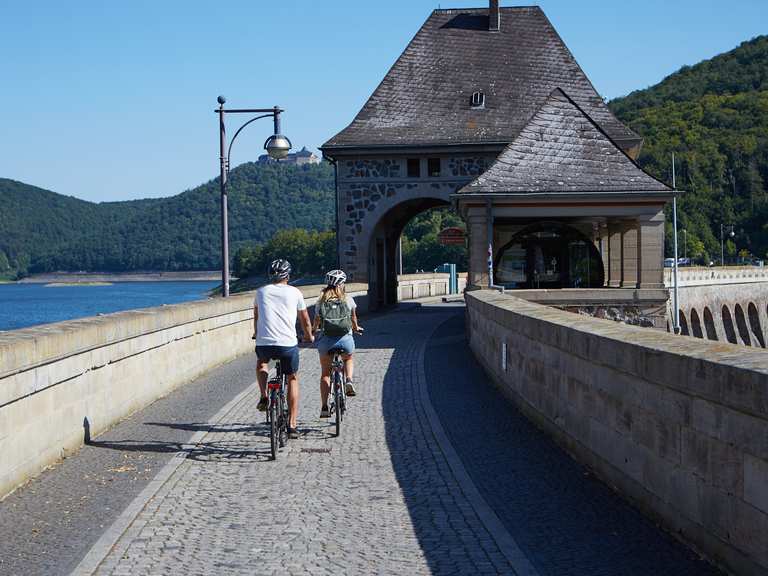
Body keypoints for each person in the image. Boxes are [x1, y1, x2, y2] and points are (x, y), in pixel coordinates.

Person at [253, 259, 314, 439]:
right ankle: (292, 424)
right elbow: (305, 320)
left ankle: (264, 395)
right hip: (287, 344)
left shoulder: (260, 292)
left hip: (264, 343)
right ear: (288, 275)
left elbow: (257, 317)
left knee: (261, 364)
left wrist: (257, 334)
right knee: (292, 377)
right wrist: (308, 336)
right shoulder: (295, 292)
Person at [312, 269, 363, 418]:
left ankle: (324, 407)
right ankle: (348, 380)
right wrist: (356, 328)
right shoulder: (348, 299)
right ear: (342, 284)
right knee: (348, 358)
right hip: (345, 340)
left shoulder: (321, 301)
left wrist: (314, 330)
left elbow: (316, 321)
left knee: (325, 374)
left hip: (326, 341)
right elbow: (353, 319)